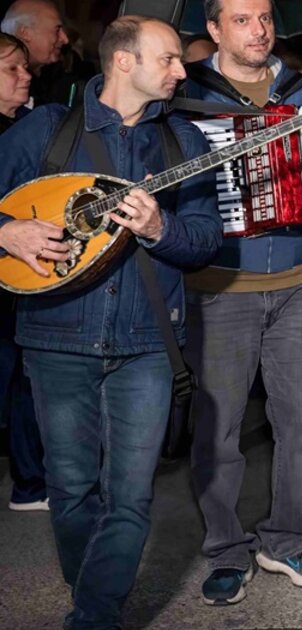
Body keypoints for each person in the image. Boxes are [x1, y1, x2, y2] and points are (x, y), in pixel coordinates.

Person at [0, 16, 220, 627]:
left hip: (148, 343)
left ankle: (93, 616)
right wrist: (8, 230)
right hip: (56, 337)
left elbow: (204, 241)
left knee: (131, 496)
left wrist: (159, 229)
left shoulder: (184, 144)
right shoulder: (45, 129)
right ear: (123, 62)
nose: (182, 70)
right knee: (70, 493)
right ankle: (92, 593)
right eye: (170, 59)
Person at [181, 0, 302, 607]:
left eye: (265, 17)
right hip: (219, 285)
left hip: (301, 275)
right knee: (218, 429)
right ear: (215, 29)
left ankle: (286, 539)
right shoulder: (186, 95)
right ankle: (226, 548)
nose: (259, 29)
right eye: (244, 20)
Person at [0, 31, 45, 515]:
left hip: (20, 283)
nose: (25, 76)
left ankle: (31, 482)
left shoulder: (33, 126)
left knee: (24, 379)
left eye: (25, 67)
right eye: (11, 69)